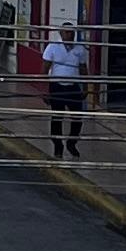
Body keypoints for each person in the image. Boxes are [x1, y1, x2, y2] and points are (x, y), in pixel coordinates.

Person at [40, 22, 89, 159]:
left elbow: (84, 69)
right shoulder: (53, 47)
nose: (70, 35)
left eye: (72, 33)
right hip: (57, 86)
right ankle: (58, 144)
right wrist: (44, 90)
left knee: (77, 117)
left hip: (73, 87)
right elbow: (44, 69)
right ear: (61, 34)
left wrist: (85, 88)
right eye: (67, 32)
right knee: (57, 117)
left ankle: (72, 143)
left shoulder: (80, 49)